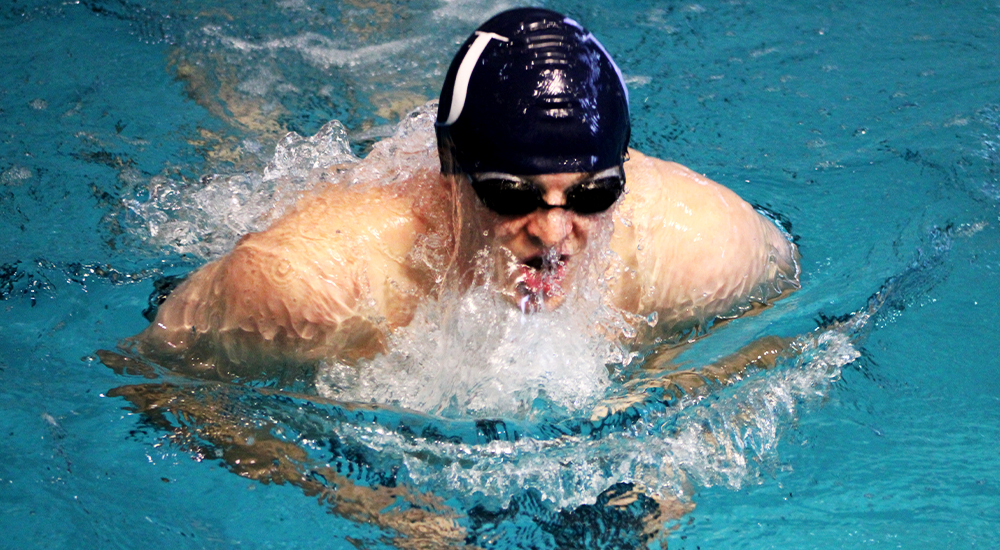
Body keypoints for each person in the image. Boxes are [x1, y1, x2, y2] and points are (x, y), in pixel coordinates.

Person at [132, 7, 799, 381]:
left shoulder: (700, 241)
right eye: (512, 195)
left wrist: (665, 387)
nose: (554, 233)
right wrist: (371, 500)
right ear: (451, 169)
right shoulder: (313, 283)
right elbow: (160, 385)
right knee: (236, 119)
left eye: (592, 196)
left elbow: (775, 324)